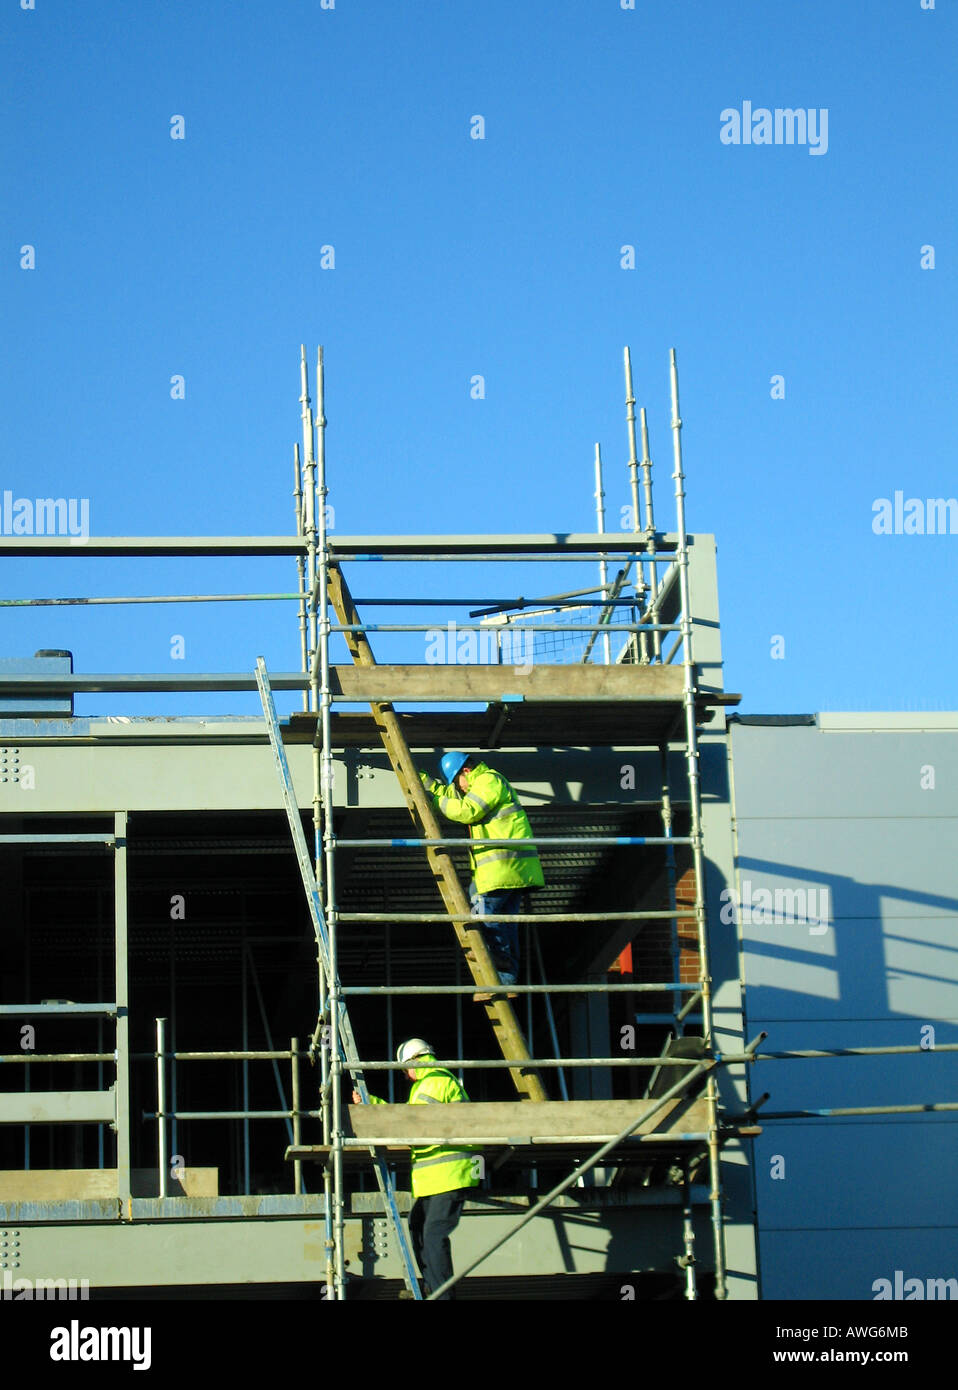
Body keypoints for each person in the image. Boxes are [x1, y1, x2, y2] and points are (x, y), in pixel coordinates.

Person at [353, 1037, 480, 1299]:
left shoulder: (433, 1082)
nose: (405, 1075)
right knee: (419, 1226)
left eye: (404, 1068)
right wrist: (373, 1104)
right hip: (439, 1177)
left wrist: (372, 1106)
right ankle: (434, 1287)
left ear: (415, 1061)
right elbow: (411, 1120)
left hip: (450, 1175)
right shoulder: (428, 1083)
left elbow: (411, 1126)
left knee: (433, 1235)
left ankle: (441, 1294)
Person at [419, 751, 544, 985]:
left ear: (465, 771)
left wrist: (436, 803)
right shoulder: (481, 783)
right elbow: (449, 794)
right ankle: (506, 978)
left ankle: (499, 974)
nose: (460, 788)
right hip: (510, 870)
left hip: (503, 869)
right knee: (502, 924)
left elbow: (467, 810)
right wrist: (423, 782)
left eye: (457, 782)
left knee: (485, 919)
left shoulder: (489, 780)